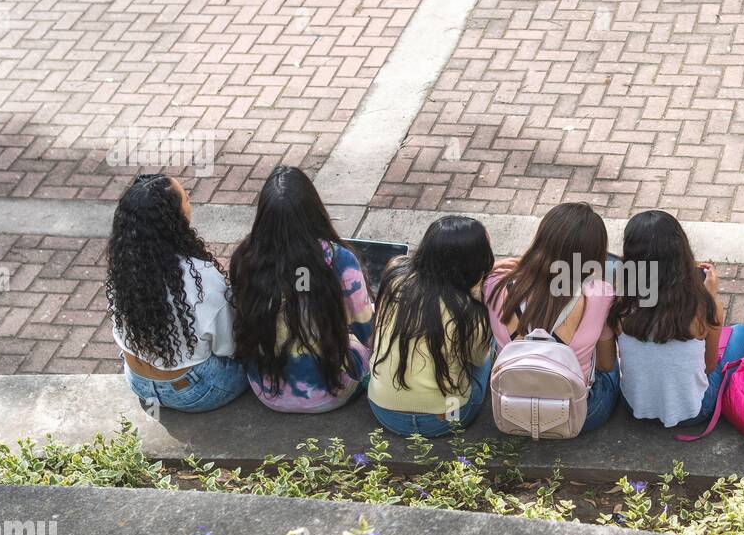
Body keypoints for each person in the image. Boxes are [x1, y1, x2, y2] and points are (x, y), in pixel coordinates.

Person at [229, 166, 374, 413]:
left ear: (263, 218)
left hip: (267, 391)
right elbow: (365, 329)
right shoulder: (340, 260)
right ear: (313, 211)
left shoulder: (243, 257)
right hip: (330, 393)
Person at [106, 173, 247, 412]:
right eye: (185, 198)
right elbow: (228, 347)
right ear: (172, 218)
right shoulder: (201, 277)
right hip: (193, 389)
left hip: (138, 381)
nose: (189, 198)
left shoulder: (123, 266)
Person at [610, 210, 744, 427]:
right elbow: (709, 367)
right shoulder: (703, 307)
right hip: (695, 411)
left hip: (635, 406)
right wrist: (710, 296)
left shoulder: (619, 306)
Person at [484, 202, 619, 432]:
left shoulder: (494, 284)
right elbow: (606, 365)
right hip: (576, 415)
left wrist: (492, 268)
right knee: (613, 372)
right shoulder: (601, 294)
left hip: (511, 409)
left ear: (540, 240)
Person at [368, 215, 495, 437]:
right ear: (474, 265)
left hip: (384, 412)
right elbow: (477, 360)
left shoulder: (394, 277)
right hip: (447, 419)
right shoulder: (470, 312)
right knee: (489, 347)